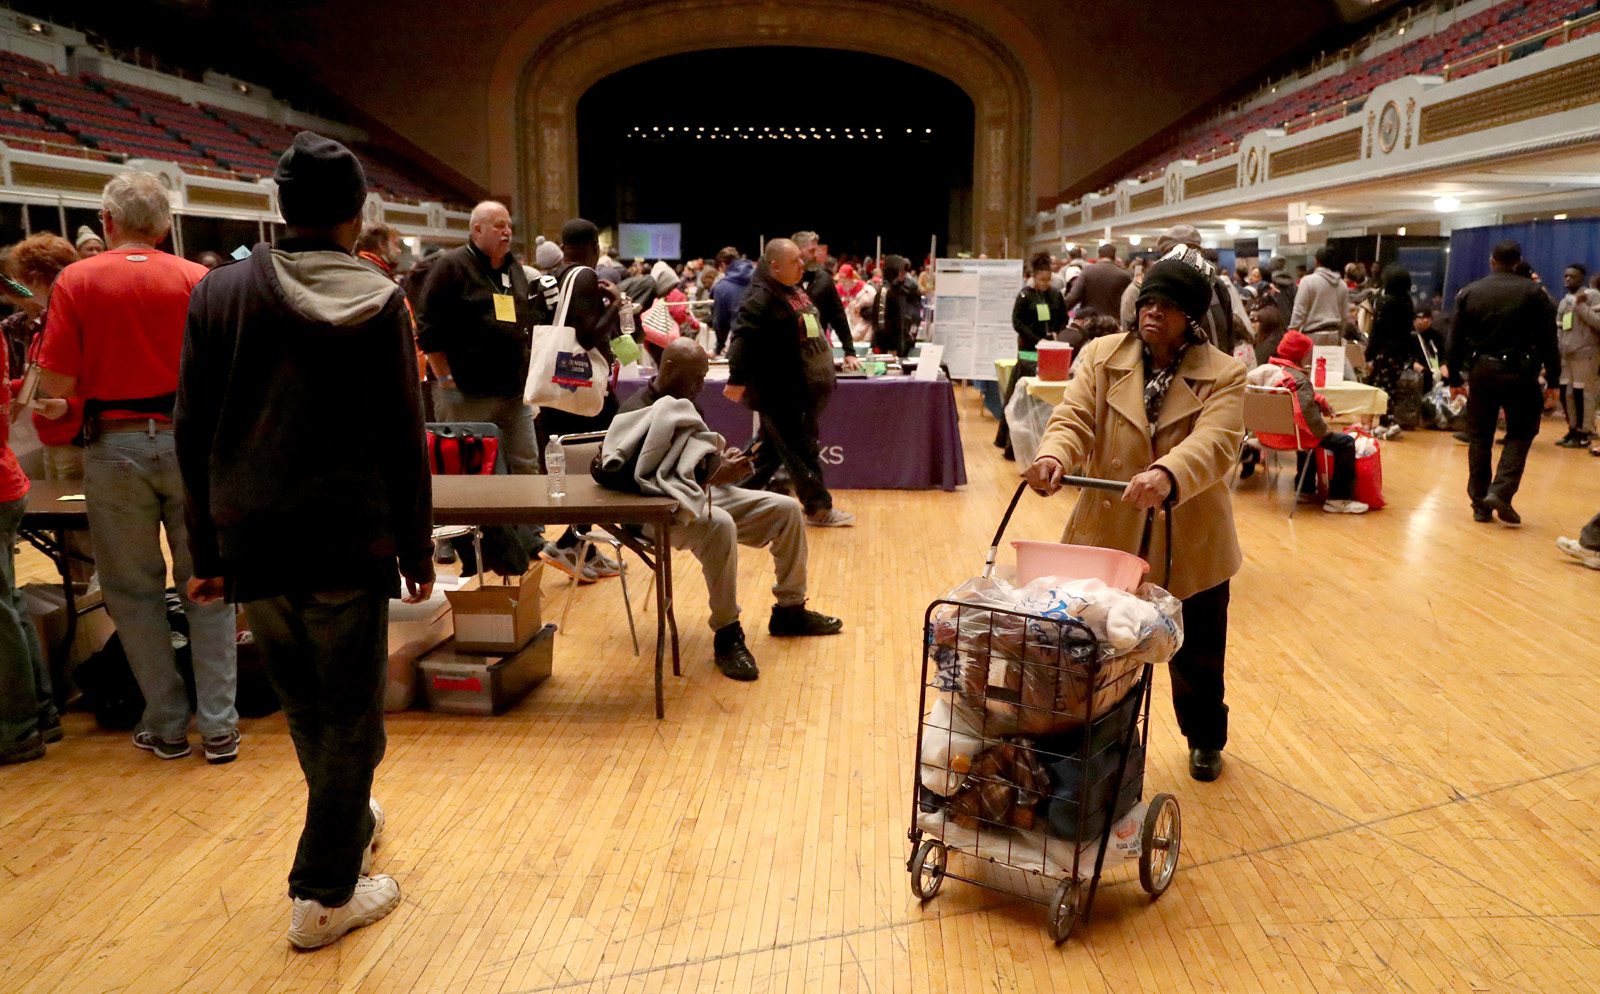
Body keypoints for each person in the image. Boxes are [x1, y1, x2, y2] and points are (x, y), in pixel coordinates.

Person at [176, 131, 429, 950]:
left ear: (280, 206)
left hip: (253, 540)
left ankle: (346, 816)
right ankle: (323, 894)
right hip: (345, 540)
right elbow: (402, 438)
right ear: (359, 215)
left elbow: (193, 432)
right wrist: (419, 549)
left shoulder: (216, 293)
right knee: (353, 720)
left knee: (309, 706)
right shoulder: (382, 299)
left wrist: (204, 555)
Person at [36, 172, 239, 762]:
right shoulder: (199, 280)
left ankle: (168, 723)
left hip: (115, 447)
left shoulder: (76, 280)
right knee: (209, 585)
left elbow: (56, 386)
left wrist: (61, 426)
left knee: (132, 591)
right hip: (192, 447)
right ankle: (221, 726)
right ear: (168, 225)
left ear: (107, 222)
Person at [1023, 258, 1245, 782]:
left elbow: (1218, 442)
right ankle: (1101, 746)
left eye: (1166, 306)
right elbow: (1073, 417)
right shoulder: (1101, 356)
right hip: (1109, 530)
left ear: (1190, 317)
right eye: (1147, 302)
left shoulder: (1225, 373)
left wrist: (1168, 473)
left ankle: (1204, 738)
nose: (1152, 313)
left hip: (1190, 536)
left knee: (1199, 654)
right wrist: (1055, 454)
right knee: (1099, 646)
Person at [617, 338, 842, 680]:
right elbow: (647, 482)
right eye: (695, 378)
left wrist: (722, 466)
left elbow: (692, 467)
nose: (700, 386)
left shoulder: (684, 402)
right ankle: (727, 635)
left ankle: (790, 611)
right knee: (719, 524)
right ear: (668, 369)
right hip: (655, 512)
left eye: (704, 377)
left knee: (786, 510)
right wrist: (715, 474)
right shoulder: (636, 411)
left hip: (697, 496)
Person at [725, 238, 853, 527]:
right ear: (775, 266)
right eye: (795, 260)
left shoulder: (791, 288)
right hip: (781, 392)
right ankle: (818, 509)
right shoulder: (760, 298)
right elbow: (741, 339)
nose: (801, 264)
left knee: (769, 452)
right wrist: (736, 378)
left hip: (802, 389)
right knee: (802, 450)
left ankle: (730, 498)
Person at [534, 218, 627, 581]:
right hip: (581, 388)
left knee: (581, 467)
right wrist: (615, 305)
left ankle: (583, 546)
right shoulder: (586, 276)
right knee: (599, 461)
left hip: (554, 386)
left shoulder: (546, 277)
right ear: (595, 247)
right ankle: (570, 543)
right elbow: (588, 337)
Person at [1445, 240, 1560, 525]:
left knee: (1479, 437)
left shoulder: (1470, 292)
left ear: (1491, 260)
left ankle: (1479, 503)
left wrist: (1455, 377)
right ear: (1518, 261)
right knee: (1521, 433)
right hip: (1521, 374)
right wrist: (1555, 381)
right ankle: (1501, 491)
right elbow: (1549, 341)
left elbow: (1454, 340)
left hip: (1482, 371)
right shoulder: (1535, 293)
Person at [0, 300, 53, 765]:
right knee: (9, 603)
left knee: (1, 611)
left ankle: (16, 730)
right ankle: (39, 713)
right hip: (7, 480)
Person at [1257, 330, 1369, 514]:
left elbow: (1291, 397)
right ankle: (1339, 498)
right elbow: (1306, 416)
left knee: (1307, 435)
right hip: (1288, 438)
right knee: (1343, 442)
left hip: (1264, 435)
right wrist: (1324, 430)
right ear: (1302, 354)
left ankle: (1305, 489)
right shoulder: (1299, 379)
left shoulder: (1271, 371)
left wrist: (1317, 399)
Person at [3, 235, 83, 480]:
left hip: (76, 439)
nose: (14, 286)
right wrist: (11, 389)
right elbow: (39, 375)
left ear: (35, 279)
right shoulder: (50, 319)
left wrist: (70, 407)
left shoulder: (72, 319)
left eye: (18, 278)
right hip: (53, 438)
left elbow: (105, 381)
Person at [996, 252, 1068, 458]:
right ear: (1034, 277)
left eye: (1048, 279)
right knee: (1022, 399)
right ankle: (1012, 444)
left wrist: (1055, 334)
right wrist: (1037, 340)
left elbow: (1063, 318)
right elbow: (1017, 323)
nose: (1045, 283)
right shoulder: (1024, 296)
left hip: (1052, 352)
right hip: (1029, 352)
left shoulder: (1055, 295)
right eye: (1041, 279)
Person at [1365, 266, 1426, 435]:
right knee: (1390, 386)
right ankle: (1386, 421)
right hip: (1401, 352)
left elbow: (1377, 330)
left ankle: (1388, 422)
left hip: (1384, 351)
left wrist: (1369, 353)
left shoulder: (1385, 302)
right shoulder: (1408, 303)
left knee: (1380, 387)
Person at [792, 231, 862, 367]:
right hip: (788, 355)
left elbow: (839, 317)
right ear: (797, 250)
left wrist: (850, 352)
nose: (815, 255)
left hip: (817, 353)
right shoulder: (783, 281)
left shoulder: (823, 279)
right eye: (811, 250)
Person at [1555, 264, 1600, 448]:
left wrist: (1580, 306)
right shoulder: (1564, 301)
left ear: (1581, 278)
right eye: (1565, 276)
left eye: (1572, 276)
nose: (1567, 279)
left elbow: (1597, 323)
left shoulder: (1593, 296)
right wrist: (1561, 348)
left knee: (1584, 394)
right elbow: (1560, 327)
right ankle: (1572, 429)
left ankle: (1585, 432)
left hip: (1586, 353)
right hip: (1568, 355)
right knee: (1568, 394)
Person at [865, 254, 923, 358]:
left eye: (905, 270)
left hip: (905, 345)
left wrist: (911, 337)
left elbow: (916, 316)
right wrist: (890, 347)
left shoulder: (910, 291)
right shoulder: (885, 292)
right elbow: (880, 323)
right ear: (893, 271)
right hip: (886, 348)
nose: (903, 273)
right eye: (900, 270)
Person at [1289, 246, 1349, 341]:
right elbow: (1345, 316)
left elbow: (1299, 311)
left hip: (1312, 336)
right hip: (1334, 335)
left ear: (1316, 261)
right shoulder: (1342, 285)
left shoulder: (1307, 281)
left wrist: (1292, 332)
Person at [1062, 243, 1132, 318]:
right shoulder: (1124, 275)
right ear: (1114, 257)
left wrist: (1059, 311)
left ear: (1098, 256)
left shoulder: (1087, 271)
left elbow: (1073, 297)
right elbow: (1129, 301)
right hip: (1113, 322)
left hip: (1090, 321)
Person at [711, 251, 754, 357]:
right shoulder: (760, 276)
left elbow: (721, 322)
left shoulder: (721, 287)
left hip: (741, 344)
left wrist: (718, 348)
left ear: (723, 265)